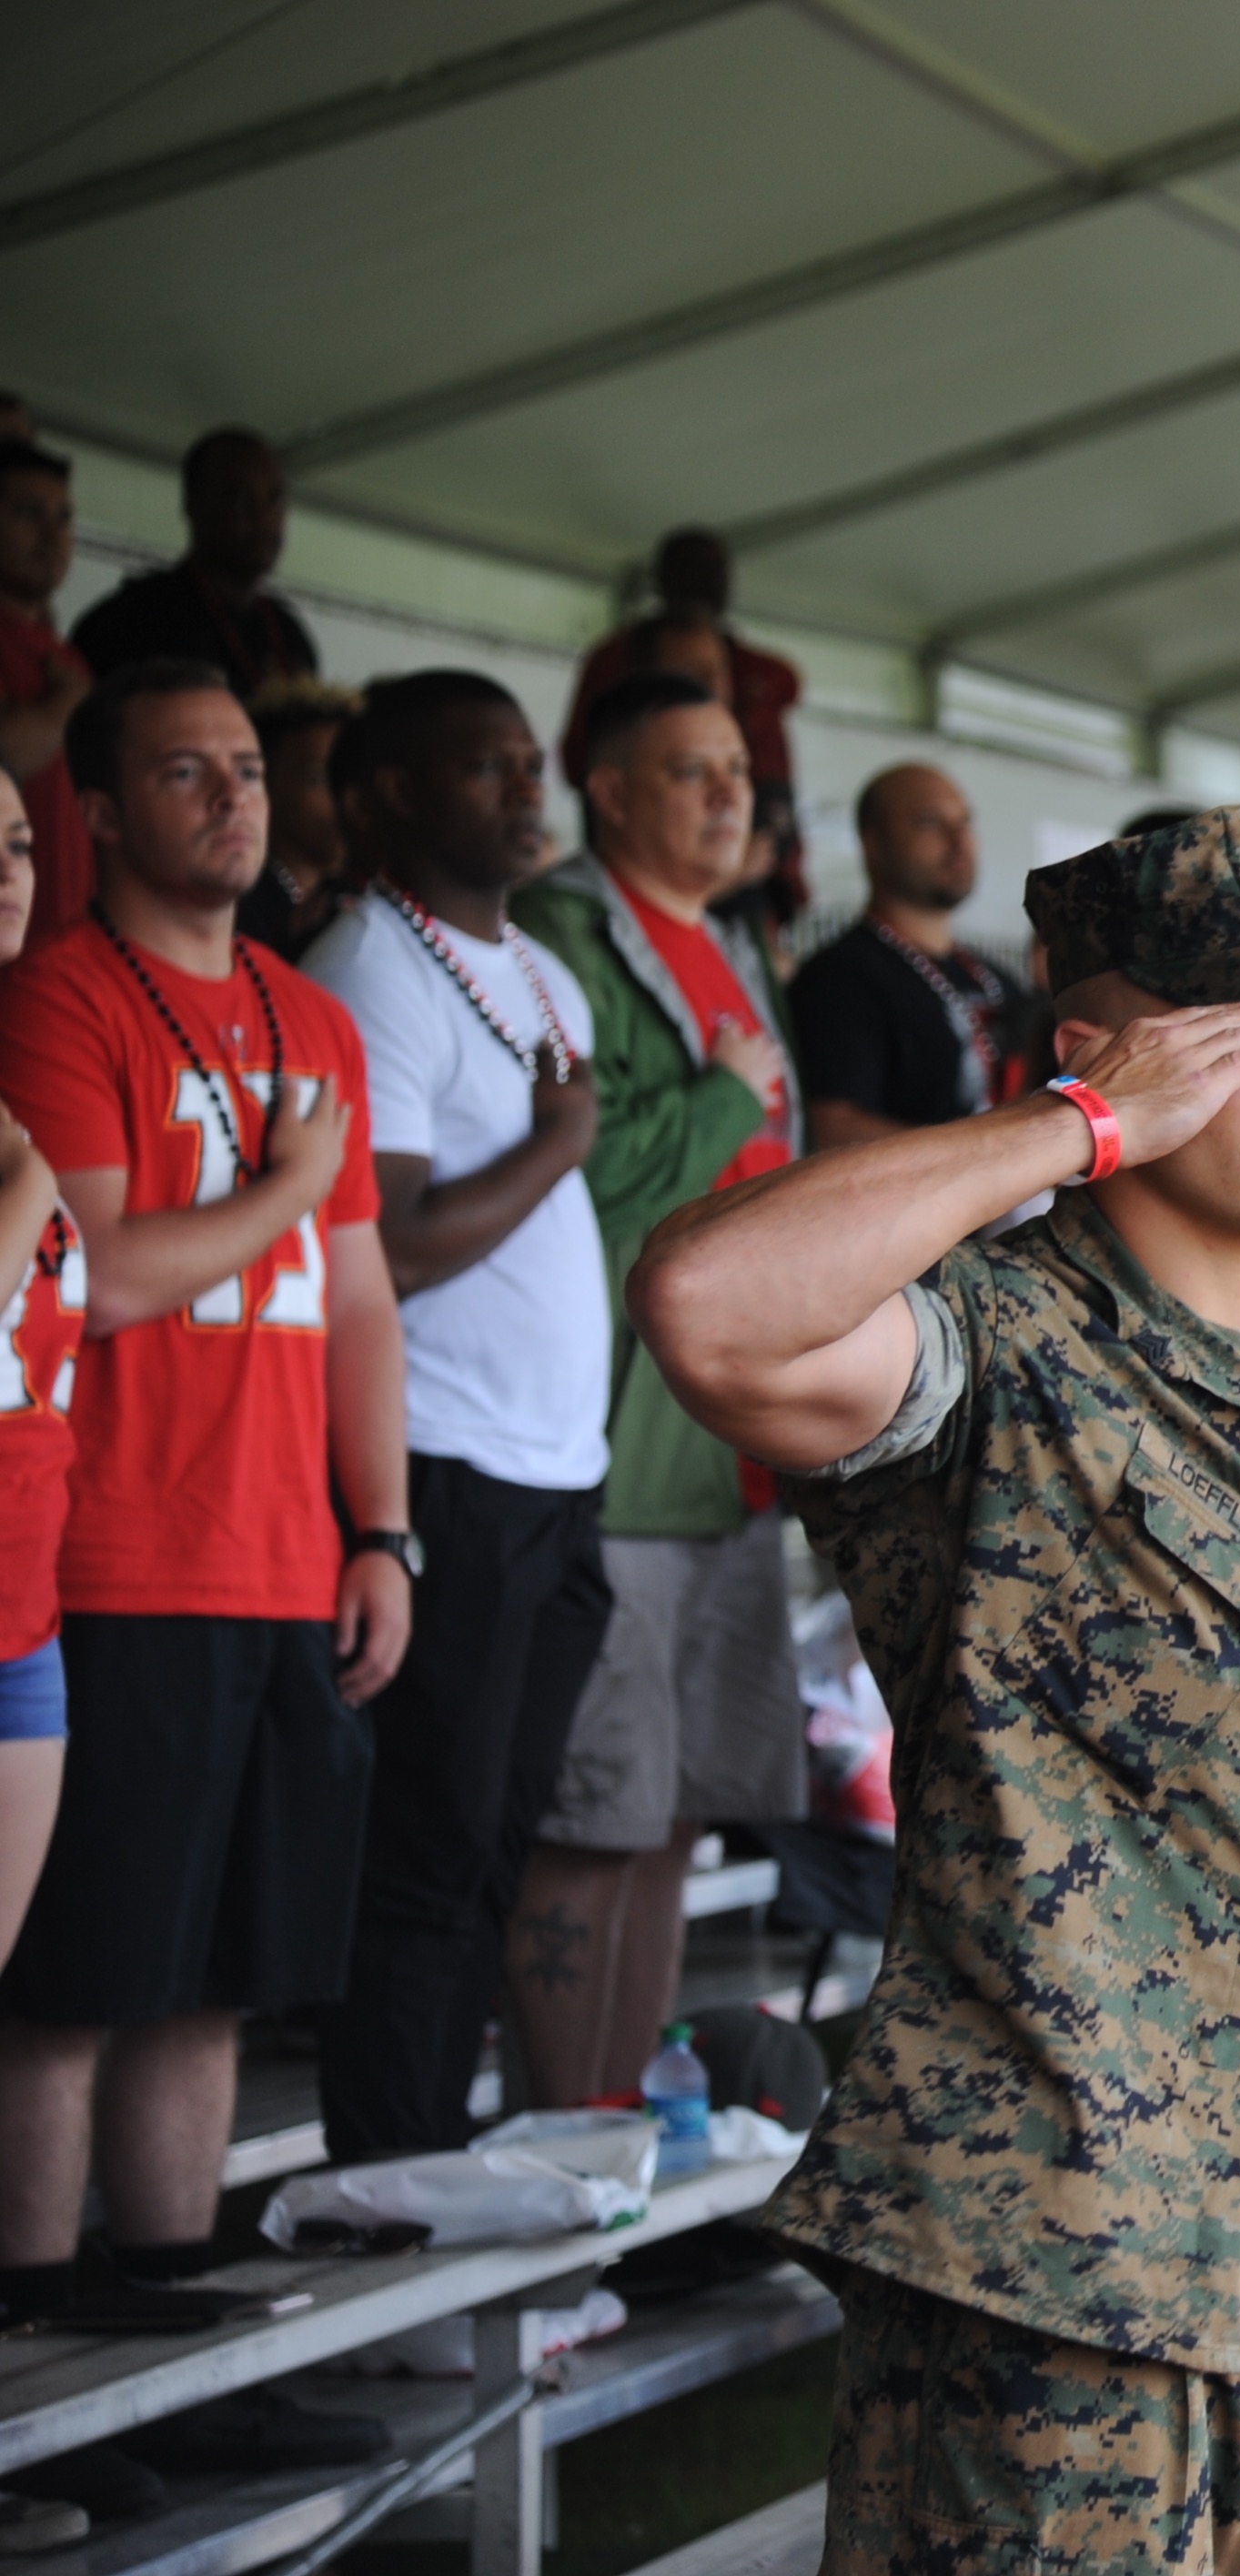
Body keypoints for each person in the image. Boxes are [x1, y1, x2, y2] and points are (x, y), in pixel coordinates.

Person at [628, 808, 1240, 2574]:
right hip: (1057, 2270)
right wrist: (1073, 1128)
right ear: (1105, 1048)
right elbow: (708, 1306)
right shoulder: (994, 1343)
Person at [0, 663, 405, 2480]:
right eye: (186, 772)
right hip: (113, 1549)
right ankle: (31, 2348)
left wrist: (382, 1526)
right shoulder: (55, 998)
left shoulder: (312, 1016)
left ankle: (175, 2332)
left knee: (217, 1974)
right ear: (99, 807)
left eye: (247, 769)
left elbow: (361, 1302)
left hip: (281, 1555)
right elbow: (98, 1273)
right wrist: (290, 1185)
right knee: (75, 1975)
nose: (237, 799)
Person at [299, 674, 614, 2162]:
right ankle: (391, 2189)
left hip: (556, 1474)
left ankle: (438, 2176)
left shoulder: (542, 976)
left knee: (495, 1847)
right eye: (482, 766)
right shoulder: (370, 966)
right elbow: (391, 1242)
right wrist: (561, 1142)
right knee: (425, 1852)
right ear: (390, 795)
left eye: (527, 760)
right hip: (443, 1462)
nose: (523, 787)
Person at [509, 670, 802, 2109]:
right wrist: (725, 1095)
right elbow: (583, 1180)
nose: (731, 793)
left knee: (678, 1818)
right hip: (619, 1456)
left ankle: (622, 2133)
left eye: (738, 769)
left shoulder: (732, 944)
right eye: (693, 770)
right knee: (597, 1820)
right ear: (609, 791)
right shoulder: (560, 934)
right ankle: (566, 2141)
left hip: (730, 1457)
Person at [0, 774, 83, 1979]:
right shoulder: (23, 1149)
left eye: (18, 844)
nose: (6, 872)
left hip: (24, 1610)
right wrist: (30, 1178)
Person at [789, 763, 1035, 1149]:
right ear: (873, 843)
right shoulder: (836, 981)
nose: (959, 839)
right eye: (929, 822)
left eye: (965, 822)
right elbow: (833, 1129)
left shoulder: (999, 980)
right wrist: (988, 1154)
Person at [555, 528, 801, 806]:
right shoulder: (615, 659)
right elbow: (578, 758)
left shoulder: (750, 668)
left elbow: (789, 683)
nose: (707, 582)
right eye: (691, 672)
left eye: (717, 672)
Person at [66, 430, 320, 698]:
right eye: (241, 499)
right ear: (193, 504)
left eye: (276, 499)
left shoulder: (289, 636)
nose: (263, 518)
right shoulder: (133, 620)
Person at [0, 439, 92, 953]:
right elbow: (6, 754)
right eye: (29, 513)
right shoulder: (71, 682)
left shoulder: (65, 656)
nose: (53, 535)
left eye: (64, 518)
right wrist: (65, 707)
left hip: (63, 945)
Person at [235, 677, 362, 958]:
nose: (344, 796)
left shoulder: (362, 900)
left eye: (353, 776)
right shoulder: (238, 905)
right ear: (265, 783)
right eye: (320, 777)